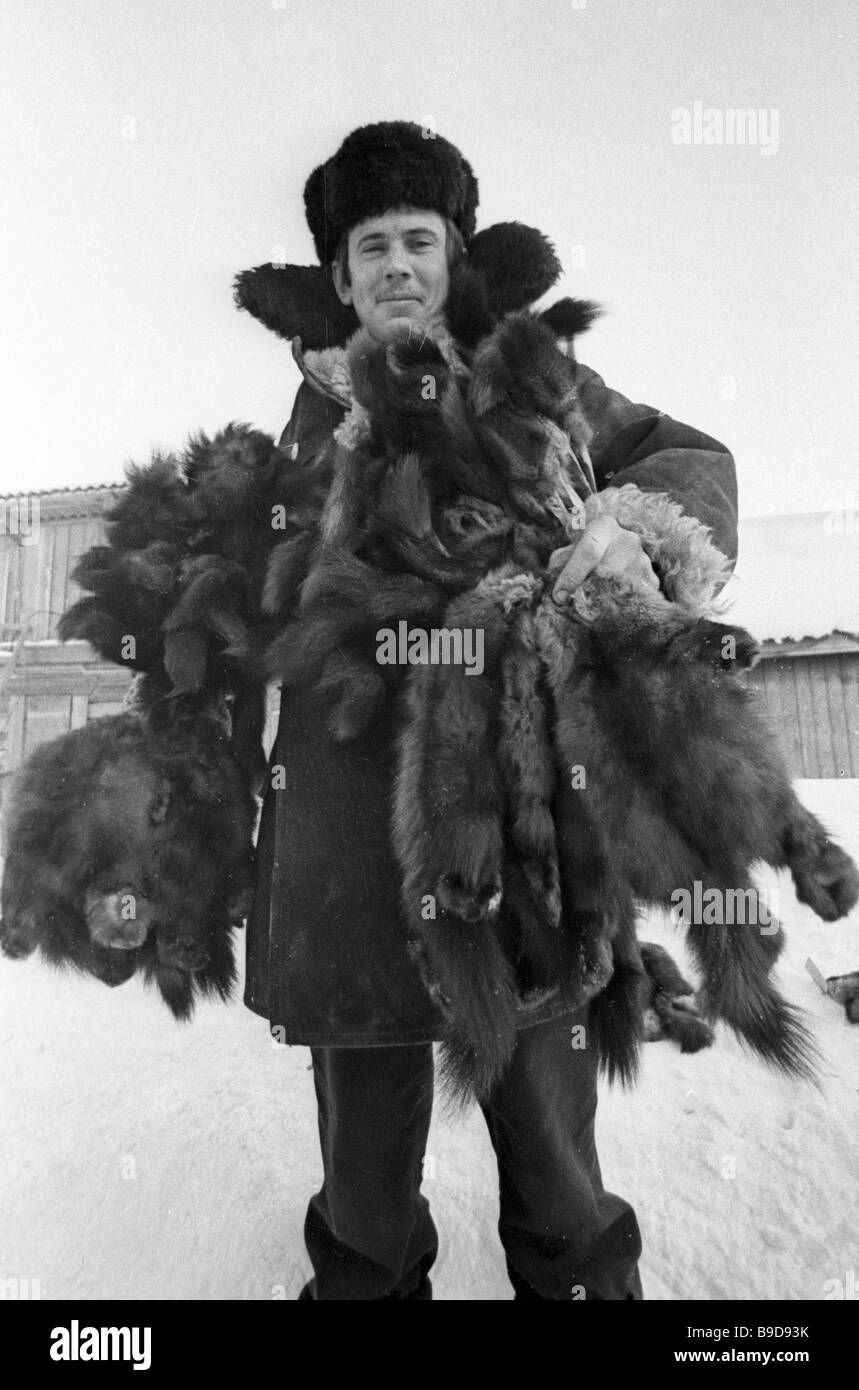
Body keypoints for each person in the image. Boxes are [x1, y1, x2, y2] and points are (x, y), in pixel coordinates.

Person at [237, 120, 738, 1300]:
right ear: (341, 274)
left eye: (419, 238)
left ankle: (578, 1283)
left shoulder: (533, 378)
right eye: (371, 245)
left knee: (551, 1124)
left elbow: (684, 452)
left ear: (456, 256)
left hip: (522, 806)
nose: (397, 263)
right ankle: (365, 1282)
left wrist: (641, 524)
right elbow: (240, 595)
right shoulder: (301, 419)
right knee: (361, 1153)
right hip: (345, 826)